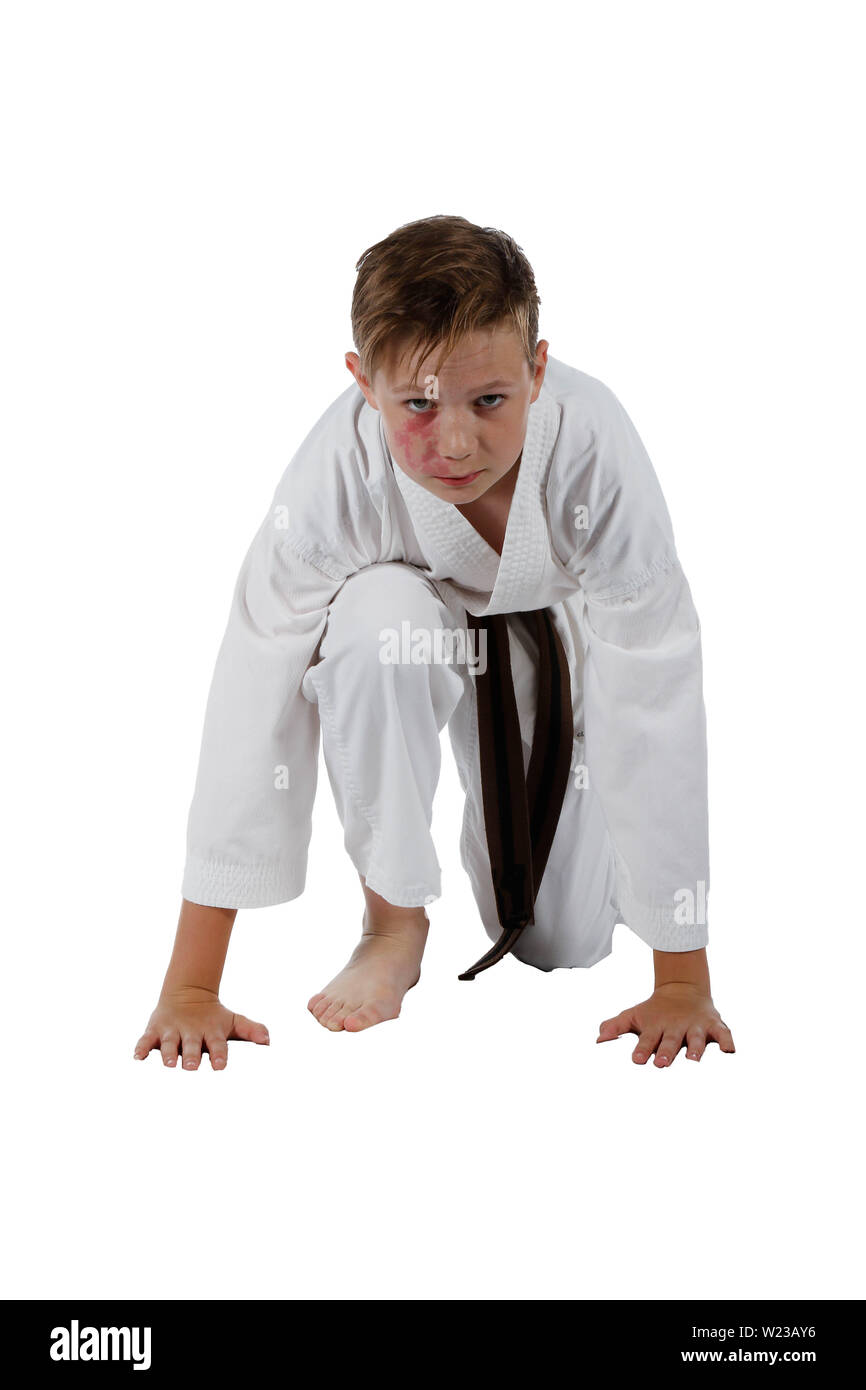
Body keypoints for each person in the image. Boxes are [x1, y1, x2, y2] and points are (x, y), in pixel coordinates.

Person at [133, 214, 735, 1070]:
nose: (455, 443)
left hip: (558, 640)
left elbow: (657, 687)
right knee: (379, 627)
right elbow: (253, 686)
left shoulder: (596, 453)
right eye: (417, 402)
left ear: (537, 370)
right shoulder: (333, 475)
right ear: (364, 385)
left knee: (556, 941)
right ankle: (392, 920)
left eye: (490, 400)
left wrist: (681, 976)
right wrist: (192, 984)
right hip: (411, 627)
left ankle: (571, 805)